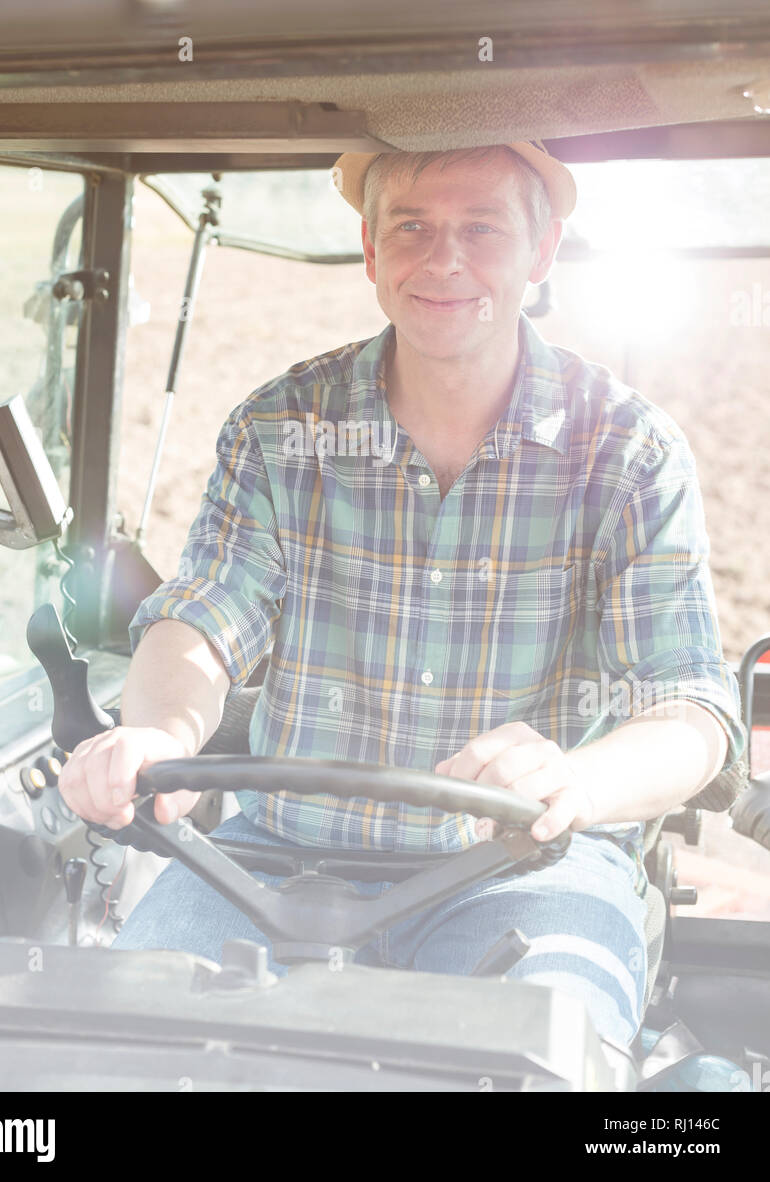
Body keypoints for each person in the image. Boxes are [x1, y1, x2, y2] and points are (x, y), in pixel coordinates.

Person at [59, 143, 745, 1049]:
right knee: (113, 1055)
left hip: (525, 870)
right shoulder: (281, 426)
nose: (444, 259)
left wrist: (574, 780)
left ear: (542, 254)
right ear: (372, 253)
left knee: (538, 1057)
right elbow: (202, 618)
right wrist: (157, 732)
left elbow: (691, 707)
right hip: (269, 867)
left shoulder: (627, 453)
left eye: (483, 229)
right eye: (412, 227)